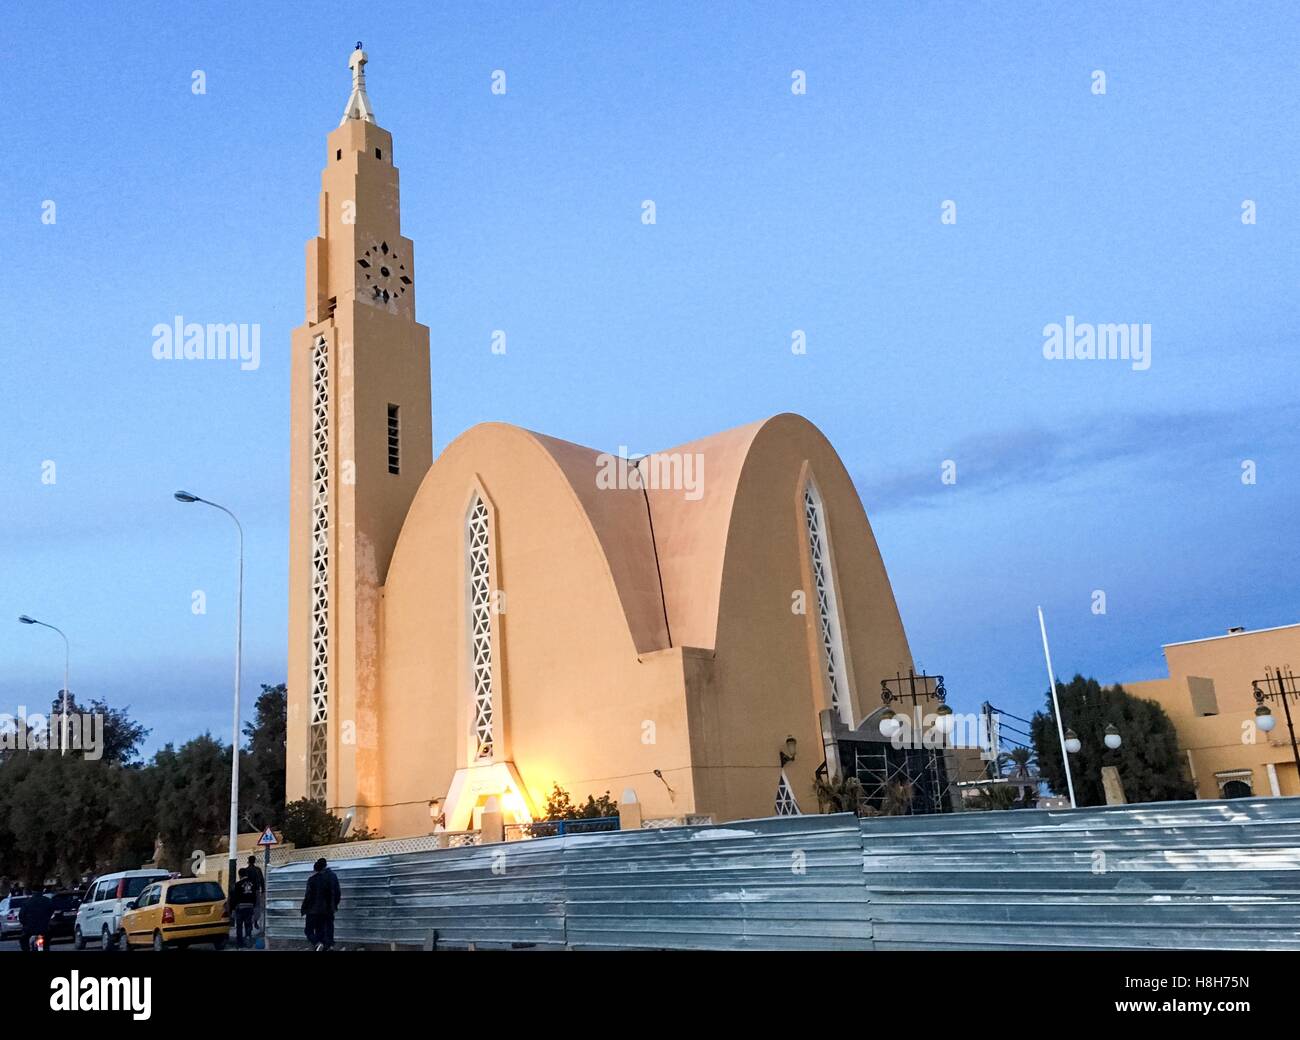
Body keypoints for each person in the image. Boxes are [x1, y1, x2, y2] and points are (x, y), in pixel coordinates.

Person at [299, 857, 341, 951]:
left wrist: (304, 909)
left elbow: (308, 896)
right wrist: (334, 905)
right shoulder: (333, 876)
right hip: (328, 909)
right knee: (326, 928)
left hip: (313, 910)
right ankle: (328, 946)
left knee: (309, 930)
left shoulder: (312, 880)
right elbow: (337, 893)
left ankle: (318, 944)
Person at [19, 888, 54, 952]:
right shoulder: (48, 901)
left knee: (23, 940)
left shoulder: (27, 902)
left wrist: (24, 923)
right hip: (44, 927)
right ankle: (46, 948)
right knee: (47, 939)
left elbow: (21, 916)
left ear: (33, 892)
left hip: (30, 928)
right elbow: (51, 911)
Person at [232, 868, 258, 948]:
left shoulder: (238, 884)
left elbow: (235, 897)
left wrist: (233, 909)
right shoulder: (252, 884)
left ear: (239, 875)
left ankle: (240, 943)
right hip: (250, 907)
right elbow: (254, 896)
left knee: (239, 926)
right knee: (248, 925)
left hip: (240, 907)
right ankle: (248, 940)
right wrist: (253, 906)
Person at [244, 855, 265, 931]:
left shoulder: (246, 870)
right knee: (256, 907)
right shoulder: (258, 870)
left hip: (248, 891)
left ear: (248, 861)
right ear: (254, 861)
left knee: (250, 907)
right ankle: (255, 922)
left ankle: (250, 923)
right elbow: (262, 880)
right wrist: (263, 890)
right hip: (256, 890)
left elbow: (245, 881)